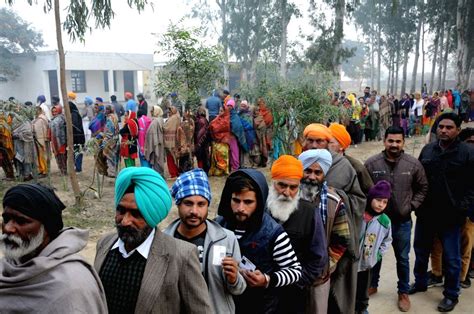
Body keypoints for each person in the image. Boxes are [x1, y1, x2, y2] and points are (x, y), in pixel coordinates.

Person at [94, 167, 212, 313]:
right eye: (121, 210)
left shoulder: (182, 256)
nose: (125, 221)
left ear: (153, 216)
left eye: (136, 214)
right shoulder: (104, 244)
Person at [0, 183, 107, 312]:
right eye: (6, 219)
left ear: (47, 228)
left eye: (21, 221)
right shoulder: (6, 267)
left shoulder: (72, 283)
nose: (8, 228)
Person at [410, 112, 474, 312]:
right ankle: (420, 282)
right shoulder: (428, 150)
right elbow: (418, 179)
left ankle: (451, 294)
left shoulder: (467, 153)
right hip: (426, 213)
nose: (444, 131)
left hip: (451, 217)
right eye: (441, 127)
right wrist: (417, 204)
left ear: (458, 130)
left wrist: (461, 207)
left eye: (449, 127)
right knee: (421, 251)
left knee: (452, 258)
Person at [216, 168, 302, 313]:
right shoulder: (218, 226)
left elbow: (295, 271)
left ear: (259, 202)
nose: (240, 208)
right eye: (236, 200)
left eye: (248, 202)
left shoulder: (273, 233)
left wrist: (266, 280)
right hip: (224, 304)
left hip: (260, 307)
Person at [303, 123, 366, 313]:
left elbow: (360, 199)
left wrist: (336, 196)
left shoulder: (344, 165)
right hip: (304, 242)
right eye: (310, 140)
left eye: (319, 140)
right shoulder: (299, 162)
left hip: (335, 237)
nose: (314, 145)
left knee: (332, 297)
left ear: (328, 142)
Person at [364, 126, 428, 312]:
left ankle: (403, 292)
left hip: (402, 222)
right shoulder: (371, 164)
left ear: (403, 142)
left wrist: (411, 206)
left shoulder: (413, 165)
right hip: (377, 222)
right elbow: (364, 189)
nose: (394, 144)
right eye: (390, 141)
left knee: (402, 258)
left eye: (398, 141)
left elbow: (423, 188)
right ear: (384, 141)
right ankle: (372, 284)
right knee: (374, 254)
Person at [164, 168, 246, 313]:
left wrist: (234, 278)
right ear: (178, 204)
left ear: (208, 205)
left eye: (201, 204)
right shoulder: (164, 241)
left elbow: (239, 289)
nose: (194, 211)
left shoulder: (226, 239)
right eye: (188, 203)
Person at [267, 155, 328, 313]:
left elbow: (319, 257)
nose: (287, 192)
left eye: (293, 187)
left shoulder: (309, 213)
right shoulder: (260, 210)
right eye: (282, 185)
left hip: (293, 293)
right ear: (272, 182)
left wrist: (298, 280)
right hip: (261, 290)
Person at [298, 149, 350, 313]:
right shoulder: (290, 196)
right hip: (290, 274)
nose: (312, 177)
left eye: (317, 172)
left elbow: (341, 239)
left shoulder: (334, 201)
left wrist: (325, 265)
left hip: (320, 277)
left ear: (324, 174)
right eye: (308, 171)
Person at [356, 181, 393, 314]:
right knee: (349, 288)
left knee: (363, 288)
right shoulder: (359, 215)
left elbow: (387, 241)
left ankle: (362, 308)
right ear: (371, 198)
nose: (381, 205)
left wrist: (377, 256)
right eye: (378, 200)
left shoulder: (385, 221)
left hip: (367, 263)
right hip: (352, 262)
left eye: (384, 202)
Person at [328, 123, 374, 194]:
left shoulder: (356, 167)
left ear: (341, 146)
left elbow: (369, 193)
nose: (326, 145)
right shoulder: (321, 163)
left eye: (330, 142)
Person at [68, 92, 86, 172]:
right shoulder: (74, 112)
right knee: (76, 151)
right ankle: (77, 167)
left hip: (76, 137)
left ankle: (78, 167)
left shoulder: (74, 114)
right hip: (77, 137)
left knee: (77, 152)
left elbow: (74, 126)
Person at [145, 105, 165, 176]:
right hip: (158, 143)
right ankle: (160, 175)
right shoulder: (159, 119)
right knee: (159, 159)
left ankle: (159, 176)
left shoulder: (155, 121)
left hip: (156, 144)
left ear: (156, 112)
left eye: (152, 110)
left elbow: (152, 134)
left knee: (157, 160)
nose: (150, 112)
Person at [254, 97, 273, 167]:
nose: (260, 106)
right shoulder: (258, 112)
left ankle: (265, 161)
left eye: (261, 103)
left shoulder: (268, 112)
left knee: (266, 146)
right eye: (258, 104)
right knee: (260, 147)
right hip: (259, 133)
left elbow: (269, 121)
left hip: (267, 132)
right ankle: (262, 162)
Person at [102, 105, 120, 177]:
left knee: (110, 157)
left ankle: (112, 173)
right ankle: (115, 172)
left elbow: (109, 131)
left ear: (109, 110)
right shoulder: (115, 116)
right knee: (115, 157)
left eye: (106, 109)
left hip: (110, 141)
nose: (105, 111)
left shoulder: (109, 118)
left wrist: (104, 141)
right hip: (116, 139)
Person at [32, 106, 50, 177]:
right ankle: (42, 170)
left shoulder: (40, 119)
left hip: (40, 139)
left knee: (42, 156)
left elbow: (37, 130)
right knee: (41, 155)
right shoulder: (43, 117)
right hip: (44, 139)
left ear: (38, 111)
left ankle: (44, 171)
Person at [163, 106, 180, 178]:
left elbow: (165, 127)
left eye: (170, 111)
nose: (169, 112)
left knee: (170, 158)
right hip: (175, 140)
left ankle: (173, 174)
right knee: (174, 158)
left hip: (170, 141)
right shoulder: (177, 117)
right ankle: (175, 172)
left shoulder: (173, 118)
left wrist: (162, 124)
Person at [50, 105, 67, 176]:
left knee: (62, 156)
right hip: (54, 140)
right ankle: (61, 169)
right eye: (53, 111)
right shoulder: (53, 119)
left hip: (60, 141)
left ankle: (64, 170)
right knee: (57, 155)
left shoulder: (60, 119)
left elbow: (61, 131)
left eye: (55, 111)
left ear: (59, 111)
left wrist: (60, 141)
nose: (54, 113)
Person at [194, 106, 211, 174]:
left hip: (199, 142)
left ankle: (201, 171)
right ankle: (205, 171)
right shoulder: (206, 120)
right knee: (205, 156)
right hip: (205, 142)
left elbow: (197, 132)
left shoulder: (198, 121)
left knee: (200, 156)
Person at [0, 111, 15, 180]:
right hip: (3, 144)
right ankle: (8, 175)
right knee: (3, 161)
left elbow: (3, 133)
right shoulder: (3, 122)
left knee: (6, 160)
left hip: (4, 145)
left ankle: (10, 175)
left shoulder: (2, 123)